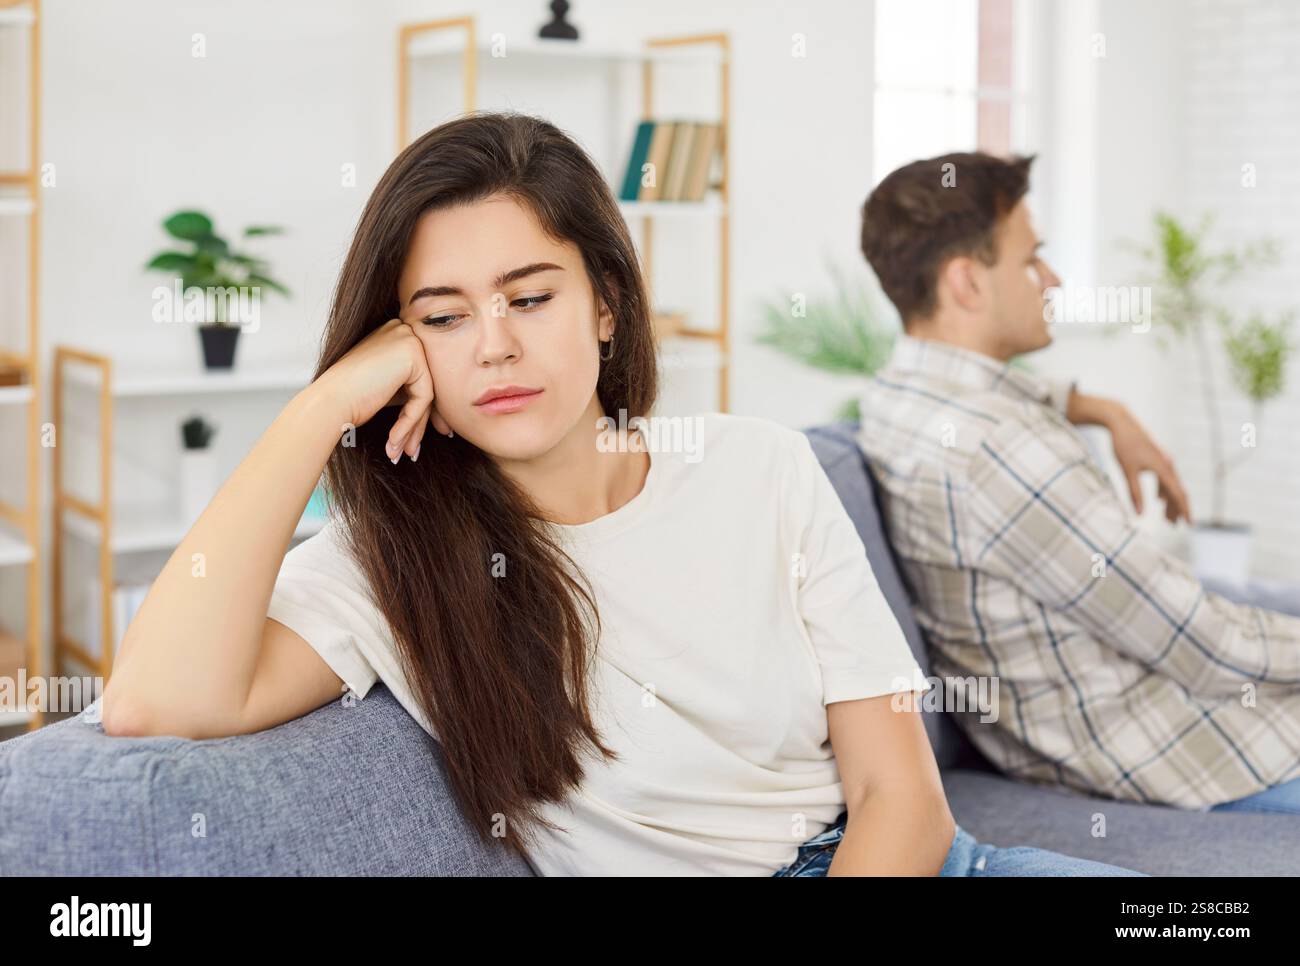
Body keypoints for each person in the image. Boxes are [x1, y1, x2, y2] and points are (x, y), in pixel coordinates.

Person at [100, 114, 1141, 876]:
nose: (496, 344)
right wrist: (319, 407)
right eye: (443, 317)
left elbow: (899, 798)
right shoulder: (393, 564)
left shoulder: (762, 468)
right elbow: (153, 700)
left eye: (530, 296)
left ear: (604, 305)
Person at [855, 151, 1300, 817]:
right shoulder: (1008, 450)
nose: (1052, 279)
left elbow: (987, 392)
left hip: (1087, 729)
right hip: (1185, 750)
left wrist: (1101, 408)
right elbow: (1211, 644)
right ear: (967, 284)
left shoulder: (896, 397)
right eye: (1031, 259)